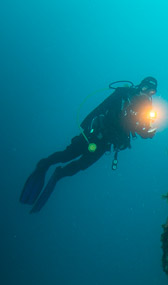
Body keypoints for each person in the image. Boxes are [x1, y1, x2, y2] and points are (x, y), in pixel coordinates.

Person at [20, 76, 158, 213]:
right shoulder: (123, 94)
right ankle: (44, 164)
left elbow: (139, 129)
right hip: (93, 135)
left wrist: (148, 134)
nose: (147, 93)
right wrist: (85, 127)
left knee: (81, 165)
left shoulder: (146, 110)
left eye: (151, 92)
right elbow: (101, 107)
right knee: (67, 155)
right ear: (140, 86)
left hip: (105, 144)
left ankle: (59, 174)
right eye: (146, 88)